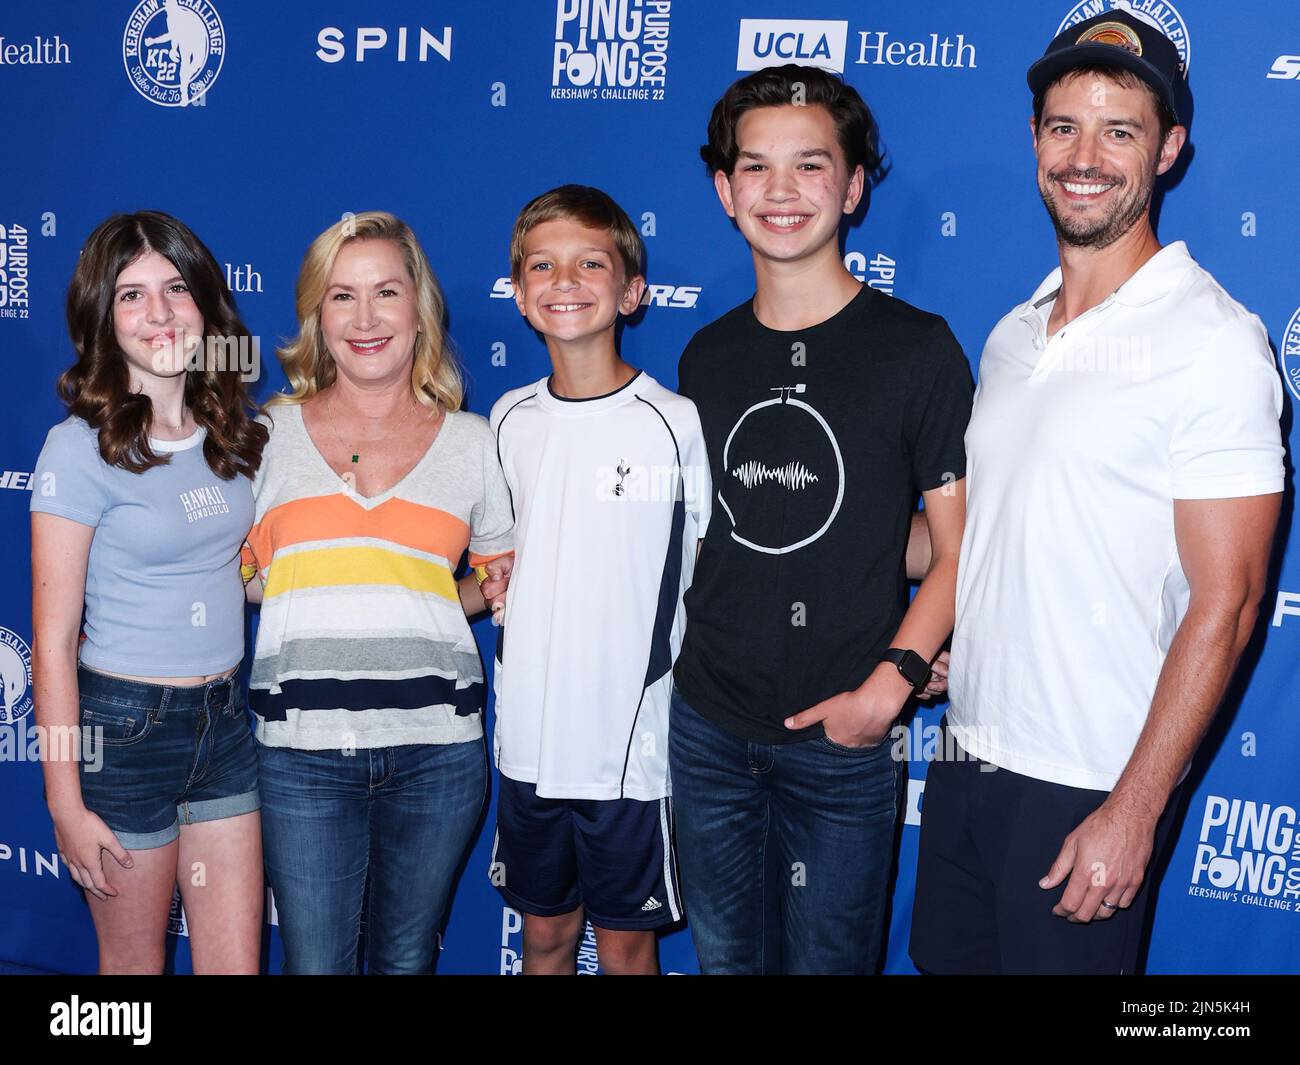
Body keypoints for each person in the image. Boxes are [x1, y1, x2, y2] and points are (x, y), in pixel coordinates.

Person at [909, 11, 1285, 975]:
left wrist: (1136, 807)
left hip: (1088, 788)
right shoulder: (1009, 335)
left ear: (1168, 149)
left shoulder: (1215, 342)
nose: (1086, 156)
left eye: (1120, 130)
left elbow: (1229, 603)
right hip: (963, 762)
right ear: (1035, 140)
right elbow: (998, 531)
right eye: (1064, 126)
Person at [670, 64, 973, 974]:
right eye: (756, 168)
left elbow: (958, 547)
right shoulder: (706, 356)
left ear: (852, 187)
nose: (782, 191)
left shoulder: (917, 349)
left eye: (810, 165)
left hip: (845, 741)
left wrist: (888, 687)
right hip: (709, 729)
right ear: (726, 192)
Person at [243, 211, 513, 974]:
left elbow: (493, 582)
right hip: (301, 755)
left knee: (403, 961)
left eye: (385, 292)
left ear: (417, 308)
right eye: (342, 296)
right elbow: (252, 580)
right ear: (315, 314)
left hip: (436, 752)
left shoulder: (473, 442)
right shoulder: (267, 436)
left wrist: (412, 593)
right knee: (317, 963)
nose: (365, 318)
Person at [30, 210, 268, 974]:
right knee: (132, 976)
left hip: (226, 724)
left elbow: (241, 573)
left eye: (174, 288)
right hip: (123, 733)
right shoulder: (78, 449)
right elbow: (54, 642)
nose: (159, 313)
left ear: (205, 302)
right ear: (104, 318)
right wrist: (64, 802)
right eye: (131, 296)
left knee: (234, 964)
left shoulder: (235, 430)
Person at [488, 185, 711, 974]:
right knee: (544, 939)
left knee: (623, 948)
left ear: (632, 290)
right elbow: (498, 562)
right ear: (518, 295)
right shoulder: (507, 419)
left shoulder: (675, 423)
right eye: (542, 266)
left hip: (629, 746)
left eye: (590, 262)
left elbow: (710, 572)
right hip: (527, 742)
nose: (565, 281)